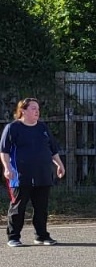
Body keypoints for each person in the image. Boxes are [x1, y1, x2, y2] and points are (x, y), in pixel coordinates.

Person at [2, 98, 66, 248]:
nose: (37, 111)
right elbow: (4, 151)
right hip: (20, 175)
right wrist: (7, 167)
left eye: (38, 108)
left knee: (41, 208)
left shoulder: (42, 128)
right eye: (33, 108)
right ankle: (14, 237)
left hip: (42, 174)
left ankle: (42, 235)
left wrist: (59, 165)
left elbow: (52, 149)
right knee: (18, 207)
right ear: (23, 110)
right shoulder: (13, 128)